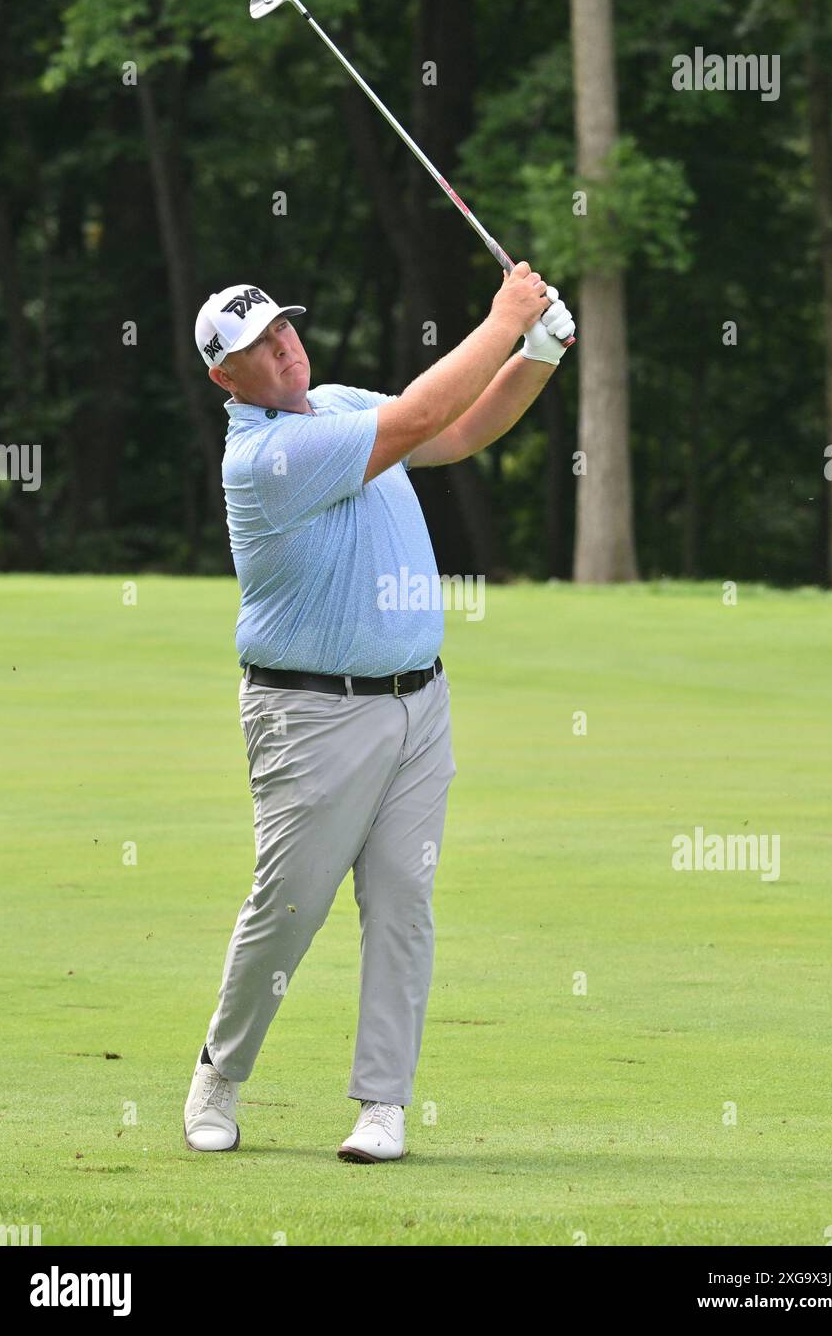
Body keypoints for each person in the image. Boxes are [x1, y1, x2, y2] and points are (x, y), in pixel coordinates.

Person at [183, 264, 575, 1160]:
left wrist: (541, 349)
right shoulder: (265, 457)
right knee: (289, 906)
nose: (282, 350)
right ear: (225, 378)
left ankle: (382, 1105)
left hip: (418, 704)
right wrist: (506, 315)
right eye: (256, 348)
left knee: (403, 900)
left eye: (282, 330)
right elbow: (421, 417)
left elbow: (460, 429)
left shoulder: (337, 402)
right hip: (310, 716)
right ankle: (220, 1070)